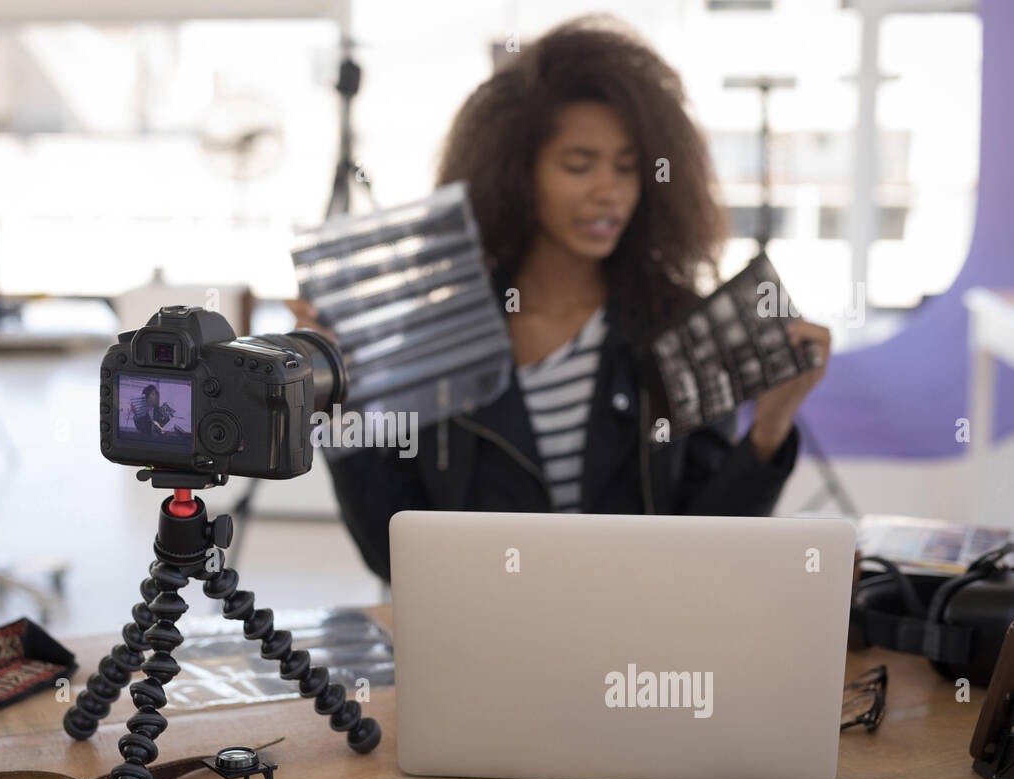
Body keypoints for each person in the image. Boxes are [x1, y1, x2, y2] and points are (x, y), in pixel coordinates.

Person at [290, 16, 830, 583]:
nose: (609, 190)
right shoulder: (440, 336)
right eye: (579, 164)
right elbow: (393, 557)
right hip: (485, 644)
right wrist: (335, 401)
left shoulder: (677, 332)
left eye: (627, 168)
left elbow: (709, 556)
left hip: (635, 654)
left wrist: (769, 430)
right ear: (518, 173)